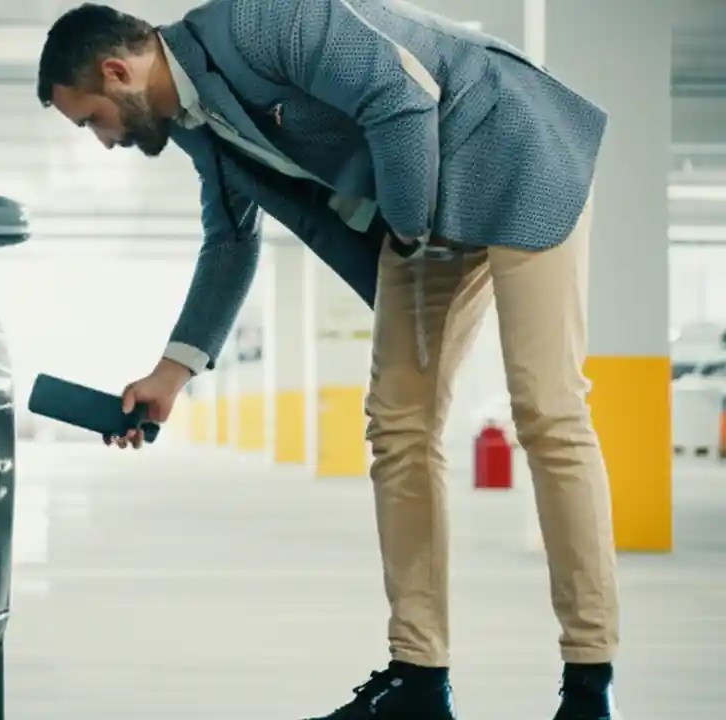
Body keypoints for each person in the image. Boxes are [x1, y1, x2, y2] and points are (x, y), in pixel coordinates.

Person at [35, 1, 620, 719]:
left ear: (116, 70)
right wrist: (172, 373)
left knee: (546, 407)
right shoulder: (196, 130)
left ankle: (589, 685)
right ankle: (419, 681)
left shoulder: (261, 20)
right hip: (426, 210)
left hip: (510, 149)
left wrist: (405, 233)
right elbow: (231, 242)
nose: (102, 140)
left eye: (92, 119)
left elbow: (399, 98)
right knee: (398, 427)